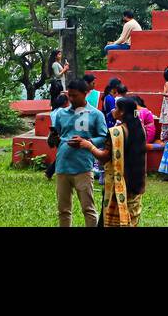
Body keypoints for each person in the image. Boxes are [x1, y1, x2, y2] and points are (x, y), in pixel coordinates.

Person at [48, 79, 108, 227]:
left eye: (75, 95)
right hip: (62, 166)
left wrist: (87, 142)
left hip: (83, 167)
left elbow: (104, 137)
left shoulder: (96, 114)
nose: (71, 99)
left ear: (85, 94)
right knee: (63, 210)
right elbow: (52, 142)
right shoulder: (61, 114)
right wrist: (53, 137)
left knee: (88, 209)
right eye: (69, 95)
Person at [82, 96, 147, 226]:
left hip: (116, 183)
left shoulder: (115, 132)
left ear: (122, 112)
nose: (113, 110)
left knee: (108, 220)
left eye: (116, 108)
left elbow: (104, 156)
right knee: (130, 218)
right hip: (134, 181)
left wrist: (89, 146)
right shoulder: (140, 130)